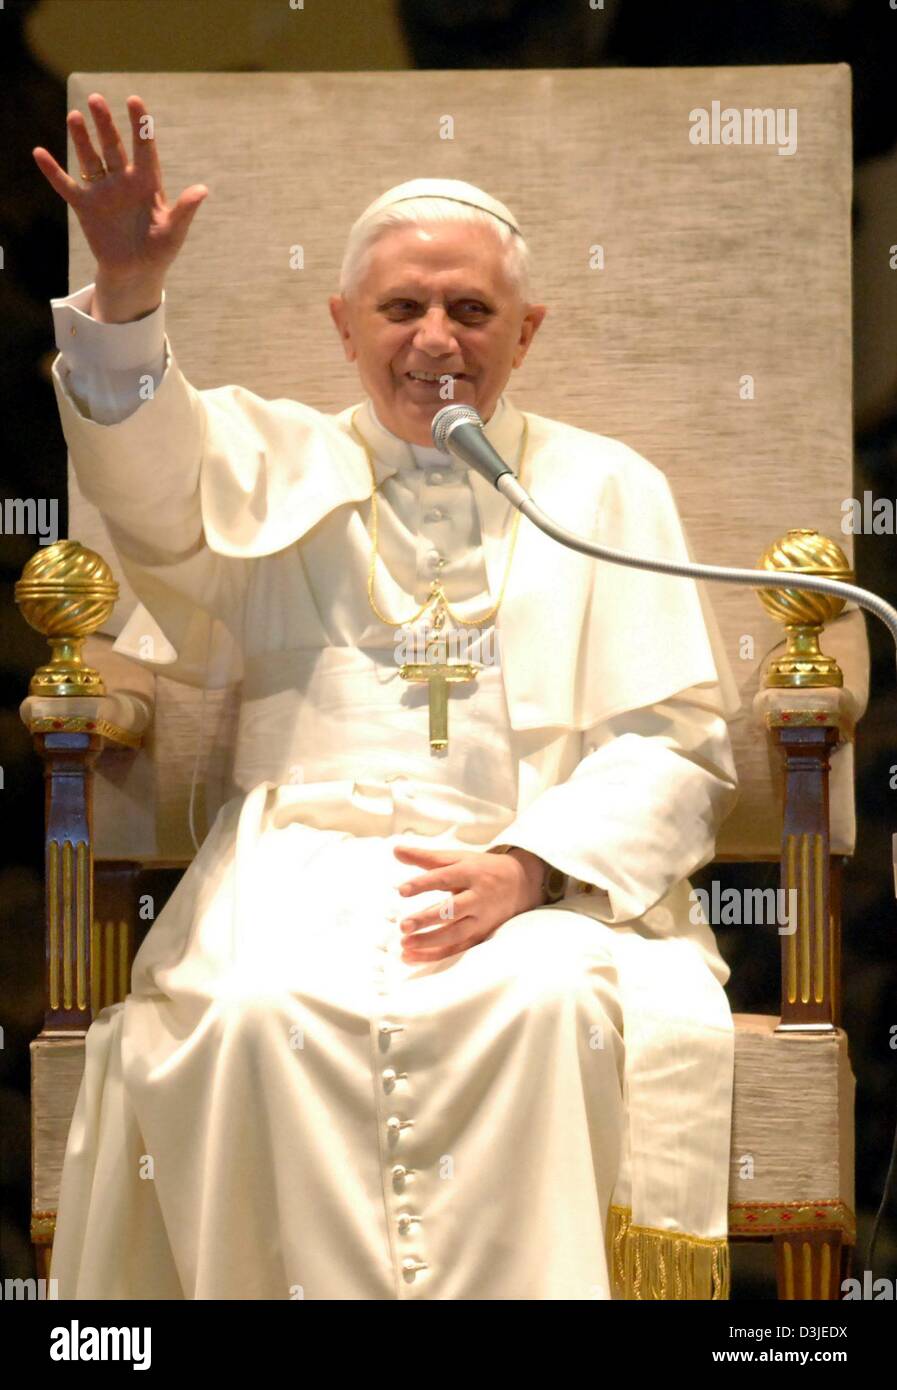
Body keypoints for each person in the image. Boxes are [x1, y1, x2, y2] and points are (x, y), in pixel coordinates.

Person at [33, 92, 742, 1301]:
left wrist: (528, 866)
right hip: (297, 868)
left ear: (527, 332)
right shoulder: (268, 462)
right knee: (249, 1011)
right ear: (343, 324)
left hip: (531, 877)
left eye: (472, 310)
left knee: (551, 1005)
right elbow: (150, 495)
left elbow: (673, 748)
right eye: (402, 308)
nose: (436, 338)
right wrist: (129, 296)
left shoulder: (609, 487)